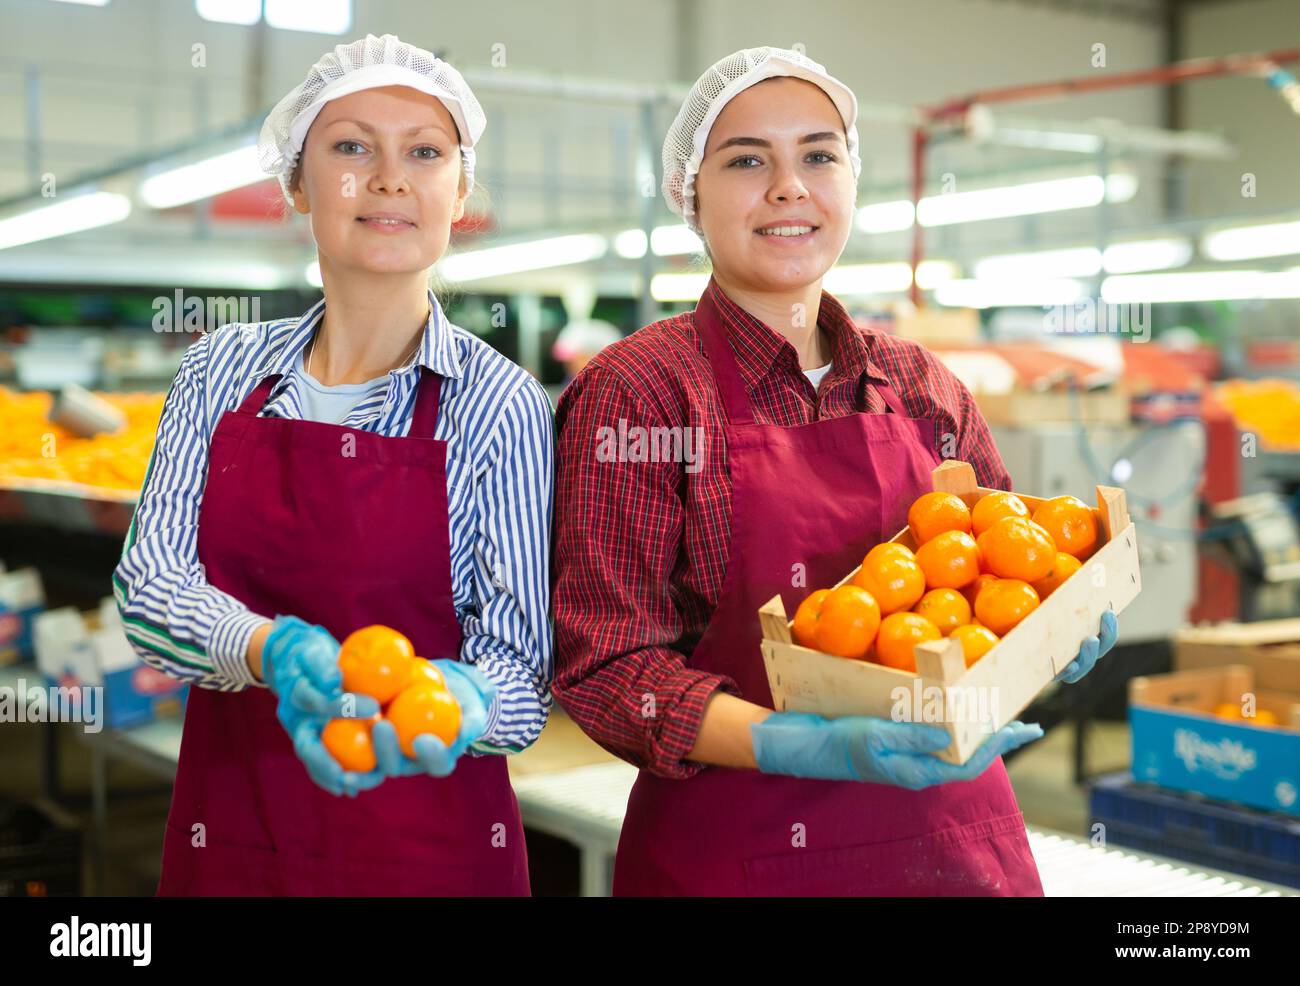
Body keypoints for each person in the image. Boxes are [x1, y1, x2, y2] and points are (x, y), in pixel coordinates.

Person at [552, 46, 1117, 896]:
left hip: (953, 847)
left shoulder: (926, 386)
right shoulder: (639, 394)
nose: (789, 187)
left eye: (819, 155)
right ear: (689, 194)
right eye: (747, 160)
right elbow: (607, 664)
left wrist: (1053, 629)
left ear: (853, 180)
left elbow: (1015, 575)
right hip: (736, 852)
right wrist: (787, 740)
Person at [114, 34, 554, 896]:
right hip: (231, 840)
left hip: (428, 854)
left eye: (426, 152)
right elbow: (148, 583)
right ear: (295, 184)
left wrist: (451, 703)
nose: (390, 177)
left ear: (457, 191)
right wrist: (266, 648)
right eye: (352, 146)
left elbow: (520, 676)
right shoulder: (220, 372)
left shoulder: (502, 404)